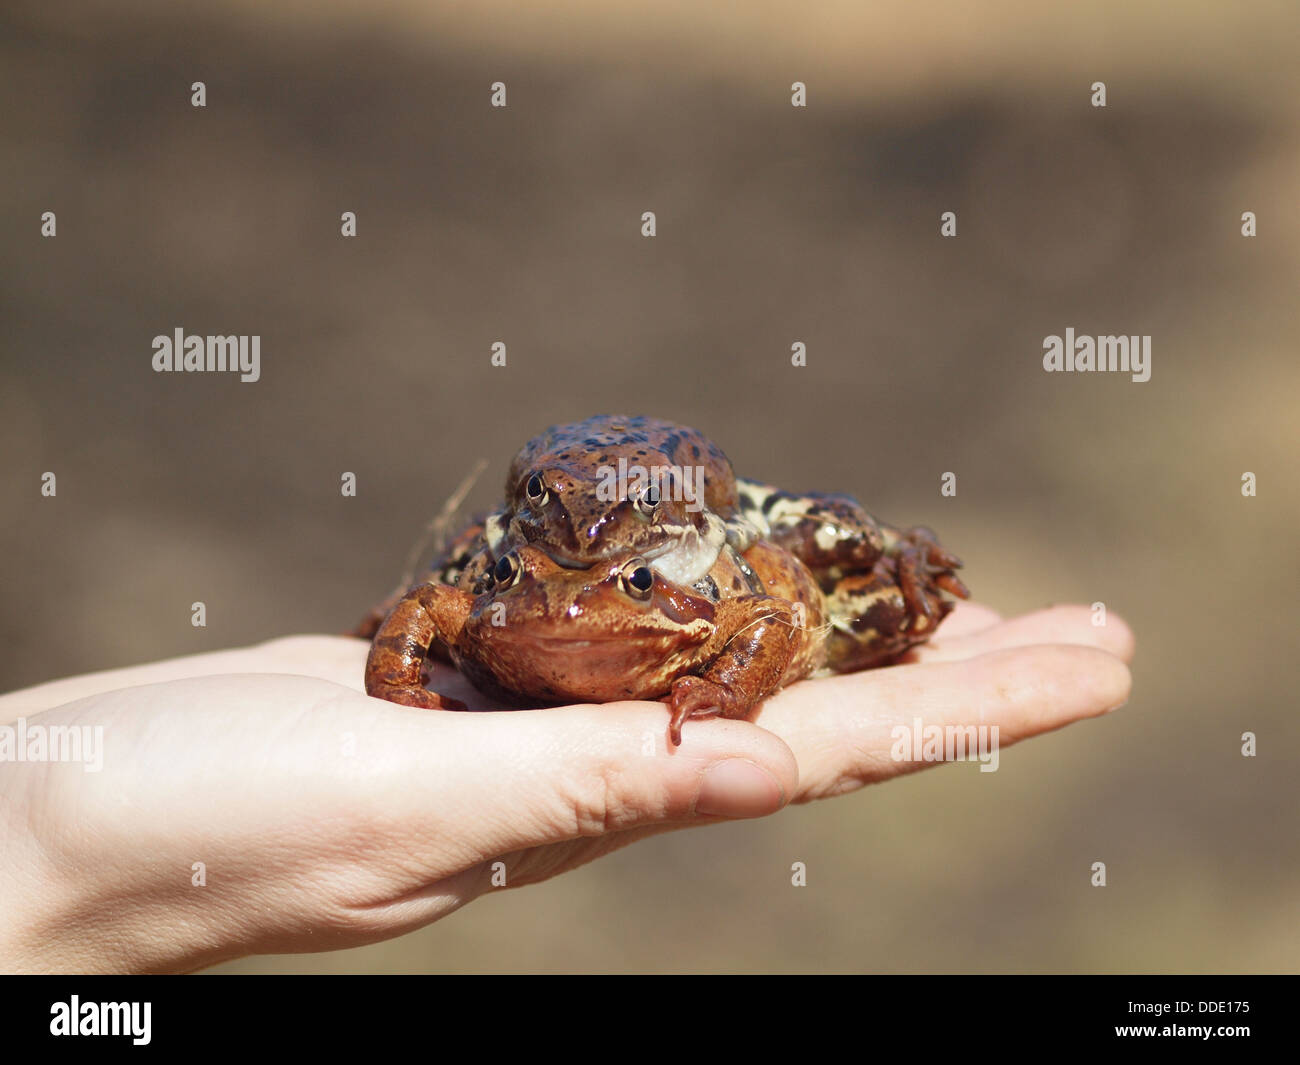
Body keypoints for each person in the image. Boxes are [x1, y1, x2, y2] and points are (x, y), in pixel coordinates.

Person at [0, 601, 1131, 972]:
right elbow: (428, 612)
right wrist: (43, 846)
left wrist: (40, 847)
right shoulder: (488, 597)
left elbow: (761, 619)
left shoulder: (701, 598)